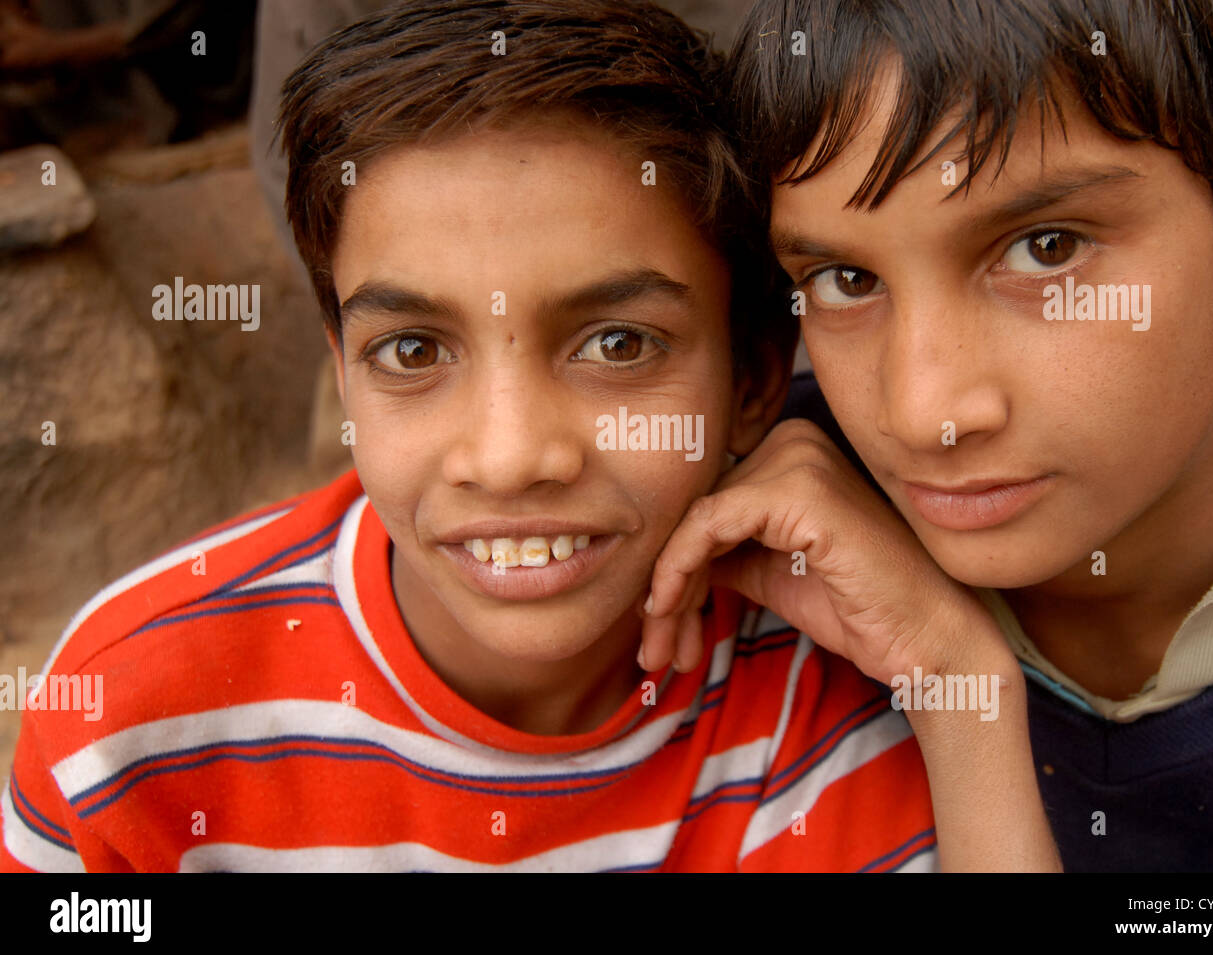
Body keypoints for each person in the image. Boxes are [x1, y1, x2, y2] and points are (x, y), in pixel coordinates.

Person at [0, 0, 1058, 872]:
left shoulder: (837, 696)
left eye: (615, 342)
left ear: (752, 379)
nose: (508, 457)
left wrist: (961, 687)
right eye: (413, 351)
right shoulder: (133, 718)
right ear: (339, 368)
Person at [644, 0, 1213, 870]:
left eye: (1047, 249)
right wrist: (958, 691)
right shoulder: (741, 581)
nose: (927, 414)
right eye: (845, 280)